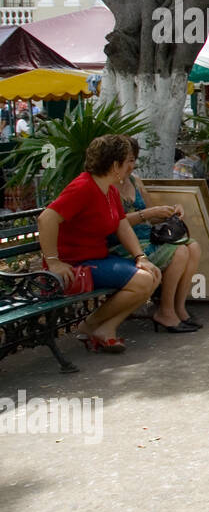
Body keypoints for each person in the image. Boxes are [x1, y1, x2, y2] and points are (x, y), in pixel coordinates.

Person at [37, 134, 163, 354]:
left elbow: (122, 225)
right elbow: (46, 218)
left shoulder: (110, 189)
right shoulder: (83, 187)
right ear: (115, 165)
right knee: (143, 281)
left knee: (152, 273)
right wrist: (54, 262)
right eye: (127, 162)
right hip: (77, 264)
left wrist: (140, 257)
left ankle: (106, 328)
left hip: (97, 258)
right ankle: (90, 325)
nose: (130, 167)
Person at [113, 137, 204, 332]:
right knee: (179, 252)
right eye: (127, 160)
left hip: (148, 236)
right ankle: (166, 310)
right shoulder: (106, 185)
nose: (131, 165)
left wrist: (169, 211)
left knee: (193, 247)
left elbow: (151, 214)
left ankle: (179, 308)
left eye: (133, 159)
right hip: (123, 244)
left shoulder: (134, 180)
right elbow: (113, 222)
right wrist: (147, 214)